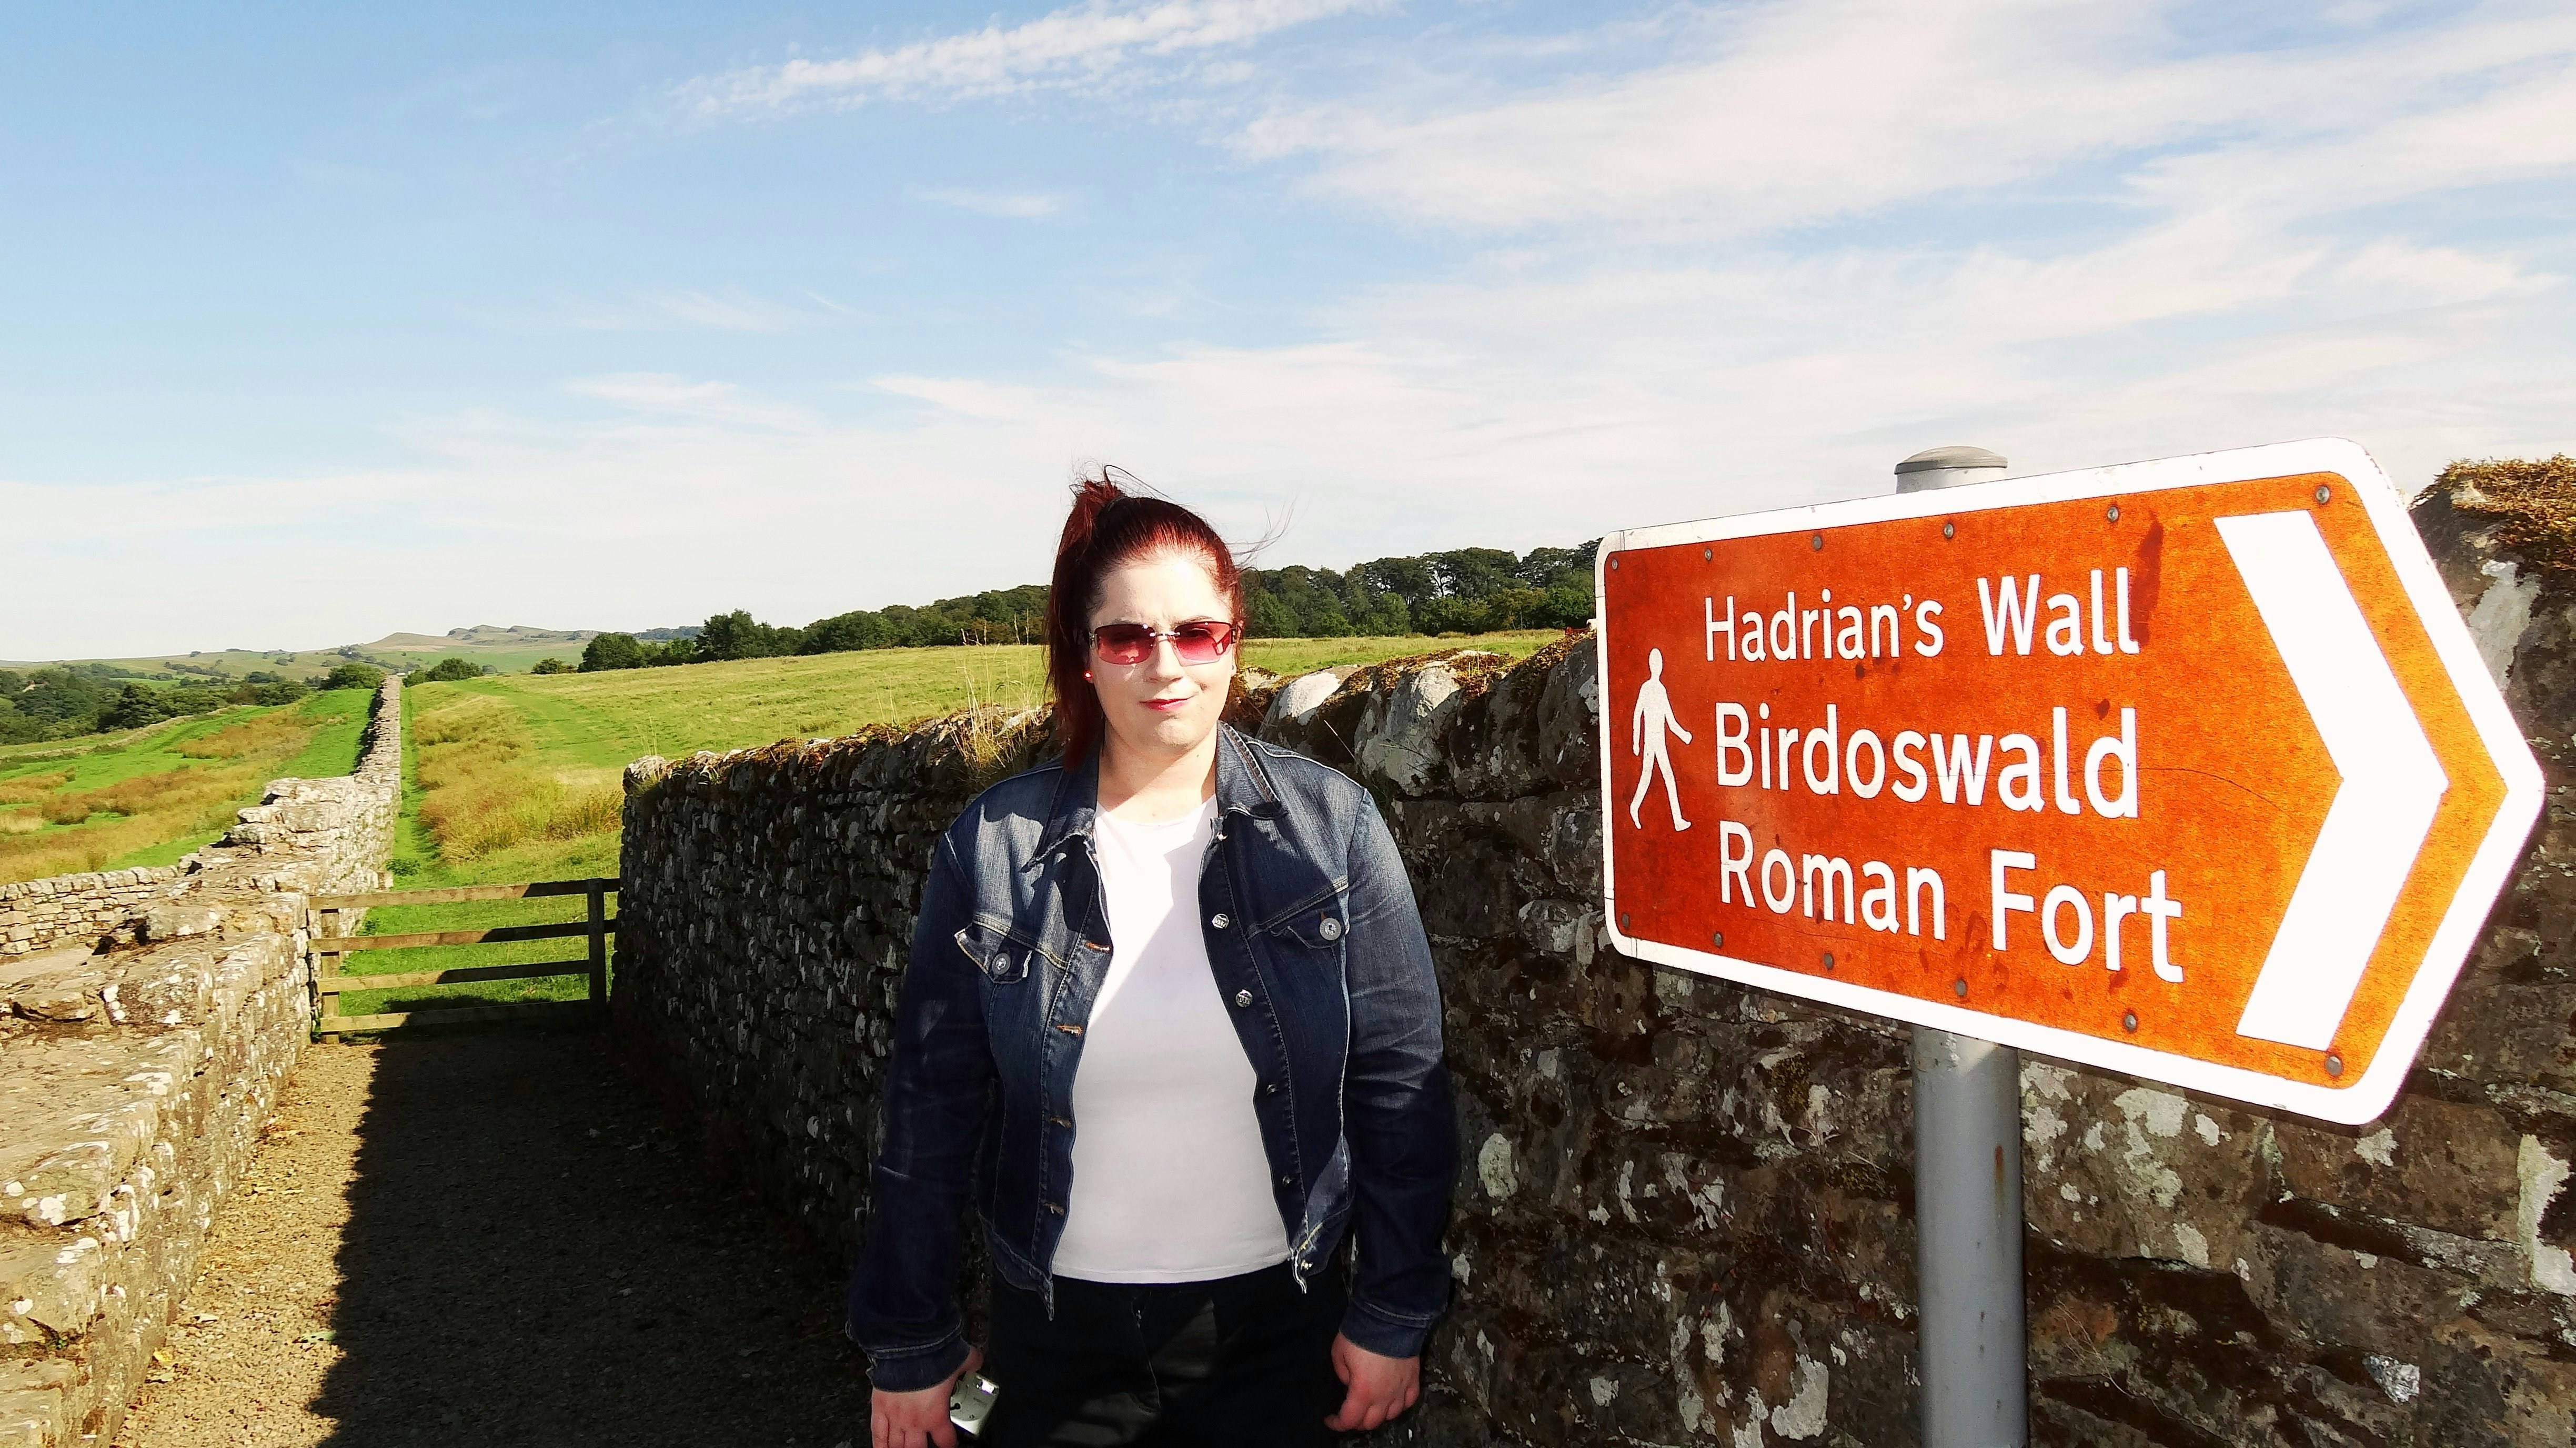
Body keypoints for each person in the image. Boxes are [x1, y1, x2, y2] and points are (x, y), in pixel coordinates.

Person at [847, 472, 1458, 1447]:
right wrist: (910, 1341)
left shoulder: (1332, 829)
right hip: (1054, 1344)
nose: (1164, 664)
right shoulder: (994, 846)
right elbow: (931, 1105)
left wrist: (1391, 1312)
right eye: (1127, 637)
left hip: (1273, 1333)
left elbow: (1400, 1085)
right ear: (1085, 658)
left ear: (1233, 643)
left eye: (1196, 633)